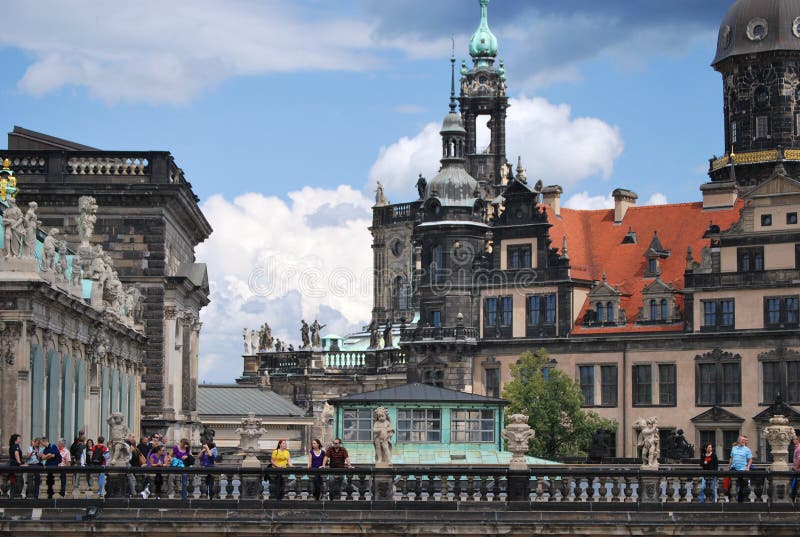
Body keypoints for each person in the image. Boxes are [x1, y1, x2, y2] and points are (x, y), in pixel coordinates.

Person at [729, 434, 752, 503]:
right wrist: (729, 466)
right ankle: (732, 500)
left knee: (742, 486)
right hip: (734, 468)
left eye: (744, 440)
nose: (744, 441)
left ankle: (740, 501)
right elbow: (731, 458)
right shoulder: (734, 448)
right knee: (732, 485)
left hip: (743, 469)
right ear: (738, 441)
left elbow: (750, 459)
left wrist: (748, 467)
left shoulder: (747, 449)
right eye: (742, 440)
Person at [8, 434, 23, 498]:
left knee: (13, 481)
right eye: (19, 438)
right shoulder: (16, 446)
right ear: (16, 440)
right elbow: (16, 454)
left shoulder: (11, 446)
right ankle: (15, 495)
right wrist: (20, 463)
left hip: (12, 465)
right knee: (19, 481)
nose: (20, 439)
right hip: (16, 466)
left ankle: (12, 495)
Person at [791, 435, 800, 500]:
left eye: (794, 439)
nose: (793, 440)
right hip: (796, 467)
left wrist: (796, 467)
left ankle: (795, 497)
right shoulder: (796, 447)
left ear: (797, 440)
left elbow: (799, 459)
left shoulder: (799, 448)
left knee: (796, 483)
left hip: (798, 468)